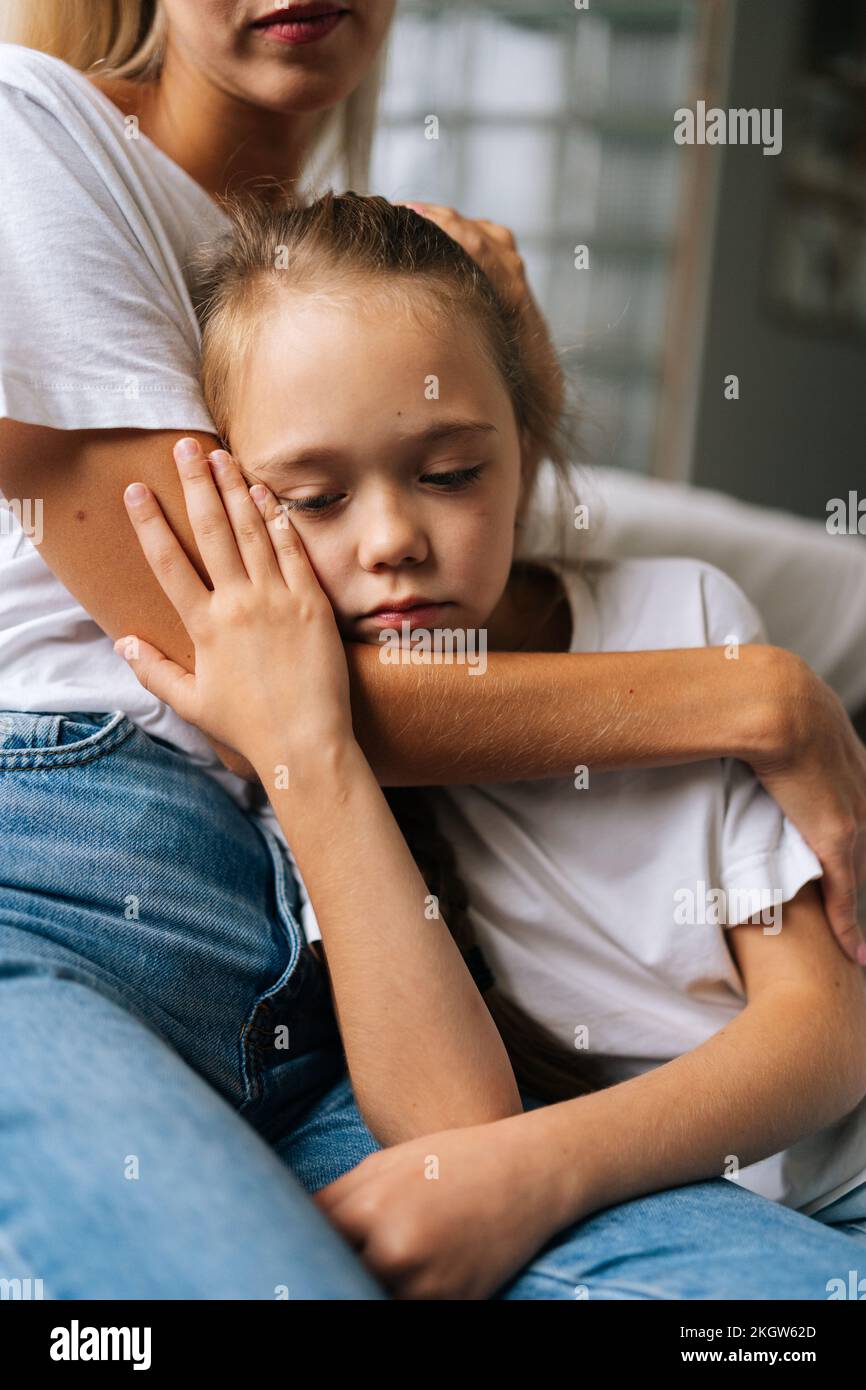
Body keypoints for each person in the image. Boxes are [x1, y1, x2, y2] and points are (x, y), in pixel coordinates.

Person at [0, 1, 864, 1298]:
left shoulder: (366, 283)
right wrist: (753, 693)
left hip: (309, 970)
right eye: (311, 500)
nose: (392, 540)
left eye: (451, 469)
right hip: (98, 867)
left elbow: (471, 1130)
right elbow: (280, 690)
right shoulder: (32, 128)